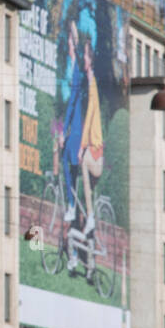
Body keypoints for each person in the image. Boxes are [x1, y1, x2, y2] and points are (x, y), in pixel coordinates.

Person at [58, 20, 84, 226]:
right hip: (73, 125)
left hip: (76, 127)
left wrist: (64, 132)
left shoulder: (77, 70)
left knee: (67, 159)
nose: (67, 45)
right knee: (69, 165)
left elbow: (73, 102)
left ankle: (71, 204)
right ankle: (72, 201)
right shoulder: (72, 67)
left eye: (70, 41)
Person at [79, 37, 104, 238]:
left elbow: (89, 114)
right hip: (96, 148)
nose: (83, 59)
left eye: (86, 55)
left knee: (83, 162)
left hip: (95, 151)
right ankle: (88, 217)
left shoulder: (92, 83)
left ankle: (90, 217)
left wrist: (81, 145)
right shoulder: (90, 81)